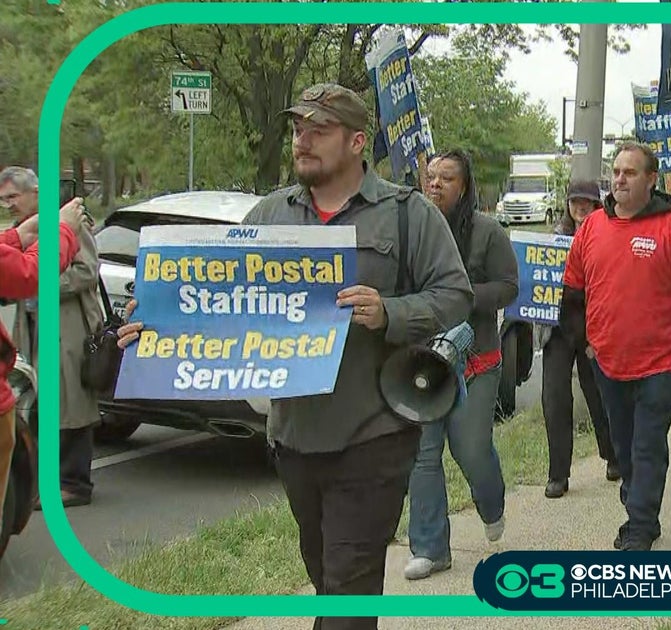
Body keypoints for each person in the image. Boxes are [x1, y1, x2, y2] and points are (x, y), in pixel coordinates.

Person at [117, 83, 474, 630]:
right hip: (293, 437)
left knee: (349, 588)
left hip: (373, 432)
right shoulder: (269, 214)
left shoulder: (408, 215)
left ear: (357, 141)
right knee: (326, 576)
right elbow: (222, 298)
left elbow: (455, 296)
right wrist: (159, 321)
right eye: (297, 129)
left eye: (318, 130)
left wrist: (390, 312)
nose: (302, 140)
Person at [559, 142, 671, 551]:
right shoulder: (592, 227)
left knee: (648, 443)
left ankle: (640, 526)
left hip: (661, 361)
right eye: (616, 171)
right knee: (624, 446)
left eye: (630, 172)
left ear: (652, 179)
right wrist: (587, 346)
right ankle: (640, 504)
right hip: (607, 360)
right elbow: (573, 293)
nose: (620, 179)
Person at [404, 149, 518, 580]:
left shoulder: (488, 233)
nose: (435, 184)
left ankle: (492, 504)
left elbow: (508, 288)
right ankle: (430, 548)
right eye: (430, 176)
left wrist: (462, 293)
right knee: (423, 454)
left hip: (475, 359)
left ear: (464, 187)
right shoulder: (411, 230)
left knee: (470, 449)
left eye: (446, 178)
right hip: (422, 361)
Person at [0, 167, 104, 509]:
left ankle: (75, 483)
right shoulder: (20, 232)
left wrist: (45, 286)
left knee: (71, 403)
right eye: (4, 200)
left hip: (67, 327)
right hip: (34, 328)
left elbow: (87, 270)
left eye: (13, 197)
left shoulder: (71, 222)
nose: (9, 205)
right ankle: (46, 480)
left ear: (35, 193)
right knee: (43, 401)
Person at [541, 179, 619, 500]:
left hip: (593, 330)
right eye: (575, 202)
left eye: (587, 203)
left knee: (599, 396)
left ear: (597, 204)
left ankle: (614, 457)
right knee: (555, 399)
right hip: (558, 331)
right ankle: (558, 474)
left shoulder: (607, 237)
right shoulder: (554, 239)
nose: (580, 208)